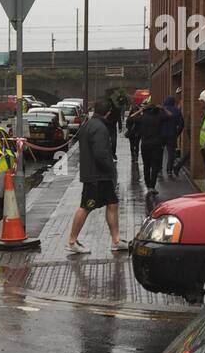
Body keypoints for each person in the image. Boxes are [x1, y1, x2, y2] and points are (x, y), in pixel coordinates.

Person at [66, 98, 130, 255]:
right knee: (86, 206)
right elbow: (101, 154)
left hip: (96, 175)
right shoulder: (100, 128)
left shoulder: (88, 124)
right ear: (108, 112)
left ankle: (116, 240)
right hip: (97, 176)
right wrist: (111, 170)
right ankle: (72, 241)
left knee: (112, 203)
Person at [137, 98, 165, 194]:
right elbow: (171, 116)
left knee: (146, 166)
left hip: (145, 145)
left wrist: (140, 110)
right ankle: (152, 186)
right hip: (156, 144)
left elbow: (130, 118)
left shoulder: (143, 117)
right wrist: (163, 109)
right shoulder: (159, 117)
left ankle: (148, 185)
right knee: (154, 166)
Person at [160, 95, 184, 177]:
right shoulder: (177, 111)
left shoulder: (162, 110)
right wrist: (177, 133)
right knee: (171, 153)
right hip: (172, 135)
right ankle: (169, 170)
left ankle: (159, 169)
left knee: (160, 152)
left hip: (161, 135)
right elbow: (181, 124)